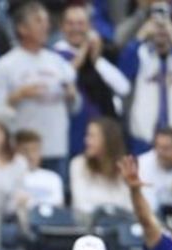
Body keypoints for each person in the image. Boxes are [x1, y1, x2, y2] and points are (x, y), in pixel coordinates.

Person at [0, 2, 79, 182]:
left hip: (56, 147)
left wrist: (72, 96)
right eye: (38, 21)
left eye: (46, 21)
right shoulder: (3, 66)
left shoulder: (59, 64)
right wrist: (16, 96)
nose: (46, 26)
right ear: (22, 28)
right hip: (22, 151)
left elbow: (75, 108)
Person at [53, 5, 132, 158]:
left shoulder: (95, 57)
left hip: (99, 136)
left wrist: (95, 61)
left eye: (81, 24)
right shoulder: (55, 54)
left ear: (89, 27)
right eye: (70, 23)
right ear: (62, 27)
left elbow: (124, 87)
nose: (76, 28)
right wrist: (85, 50)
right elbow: (65, 76)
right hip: (70, 134)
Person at [118, 11, 172, 153]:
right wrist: (140, 37)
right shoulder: (141, 54)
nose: (162, 28)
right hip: (144, 138)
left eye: (168, 23)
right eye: (156, 24)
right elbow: (123, 72)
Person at [69, 117, 131, 220]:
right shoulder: (78, 164)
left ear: (108, 139)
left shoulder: (124, 167)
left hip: (120, 225)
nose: (86, 140)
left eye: (92, 136)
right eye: (87, 135)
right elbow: (80, 204)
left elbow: (128, 206)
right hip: (89, 226)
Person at [137, 127, 172, 215]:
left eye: (166, 149)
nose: (160, 153)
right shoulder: (142, 164)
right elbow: (147, 206)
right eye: (158, 147)